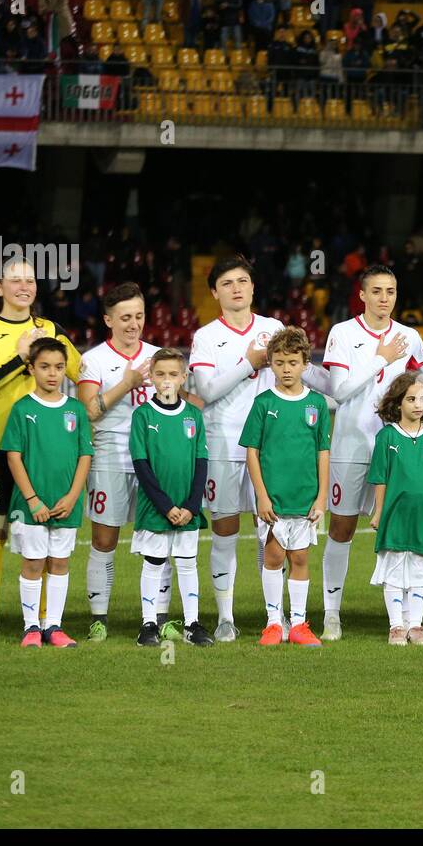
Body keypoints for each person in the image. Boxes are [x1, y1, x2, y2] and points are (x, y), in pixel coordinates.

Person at [188, 256, 307, 641]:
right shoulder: (205, 336)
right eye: (227, 283)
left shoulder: (273, 328)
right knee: (223, 530)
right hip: (222, 442)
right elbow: (206, 391)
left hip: (269, 447)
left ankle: (274, 617)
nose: (236, 288)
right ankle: (225, 617)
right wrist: (250, 362)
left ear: (253, 287)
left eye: (243, 281)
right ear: (214, 292)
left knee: (268, 531)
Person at [0, 258, 82, 644]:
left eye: (29, 280)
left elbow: (83, 372)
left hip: (44, 451)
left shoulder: (50, 329)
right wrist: (21, 356)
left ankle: (47, 622)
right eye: (14, 280)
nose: (24, 286)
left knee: (49, 532)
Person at [320, 265, 423, 641]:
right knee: (342, 527)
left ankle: (403, 621)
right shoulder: (344, 333)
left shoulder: (410, 337)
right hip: (351, 445)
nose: (385, 298)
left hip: (399, 449)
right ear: (362, 295)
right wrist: (380, 358)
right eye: (378, 291)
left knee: (399, 531)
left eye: (391, 291)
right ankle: (332, 614)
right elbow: (340, 391)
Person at [76, 283, 161, 641]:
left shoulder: (159, 356)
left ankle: (155, 618)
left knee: (158, 539)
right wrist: (126, 383)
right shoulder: (93, 359)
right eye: (125, 317)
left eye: (139, 316)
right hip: (110, 456)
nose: (133, 324)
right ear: (108, 319)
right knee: (104, 539)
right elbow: (88, 413)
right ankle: (99, 618)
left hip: (155, 459)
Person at [0, 338, 92, 648]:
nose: (52, 374)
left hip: (66, 504)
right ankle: (30, 628)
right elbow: (13, 456)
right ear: (31, 368)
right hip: (31, 506)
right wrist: (32, 499)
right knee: (33, 564)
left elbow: (85, 455)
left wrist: (73, 496)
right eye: (44, 367)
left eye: (59, 367)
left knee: (60, 563)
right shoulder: (22, 409)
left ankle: (53, 625)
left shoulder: (75, 409)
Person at [242, 327, 330, 648]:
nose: (287, 369)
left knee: (301, 558)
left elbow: (323, 452)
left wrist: (321, 496)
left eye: (293, 362)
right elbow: (252, 451)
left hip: (305, 498)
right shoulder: (264, 403)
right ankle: (273, 623)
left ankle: (299, 624)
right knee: (274, 556)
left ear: (306, 362)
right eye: (279, 363)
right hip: (273, 499)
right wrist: (261, 495)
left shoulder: (317, 404)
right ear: (270, 364)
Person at [129, 349, 211, 648]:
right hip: (156, 509)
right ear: (150, 378)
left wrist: (191, 506)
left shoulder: (193, 416)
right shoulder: (143, 415)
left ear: (183, 378)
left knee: (188, 564)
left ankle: (192, 624)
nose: (166, 380)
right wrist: (166, 507)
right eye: (160, 374)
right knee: (153, 563)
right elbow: (141, 465)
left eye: (173, 374)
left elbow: (201, 462)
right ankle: (148, 624)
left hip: (187, 510)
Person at [366, 373, 423, 645]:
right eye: (411, 399)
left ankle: (415, 626)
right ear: (398, 403)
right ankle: (396, 627)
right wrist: (378, 512)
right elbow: (380, 477)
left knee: (420, 569)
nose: (418, 404)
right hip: (395, 514)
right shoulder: (387, 436)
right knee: (394, 569)